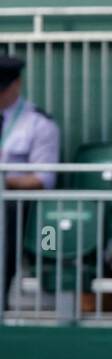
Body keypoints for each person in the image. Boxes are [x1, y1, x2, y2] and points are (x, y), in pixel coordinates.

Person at [0, 54, 60, 313]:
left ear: (16, 85)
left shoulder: (39, 122)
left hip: (13, 203)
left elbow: (42, 178)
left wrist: (4, 181)